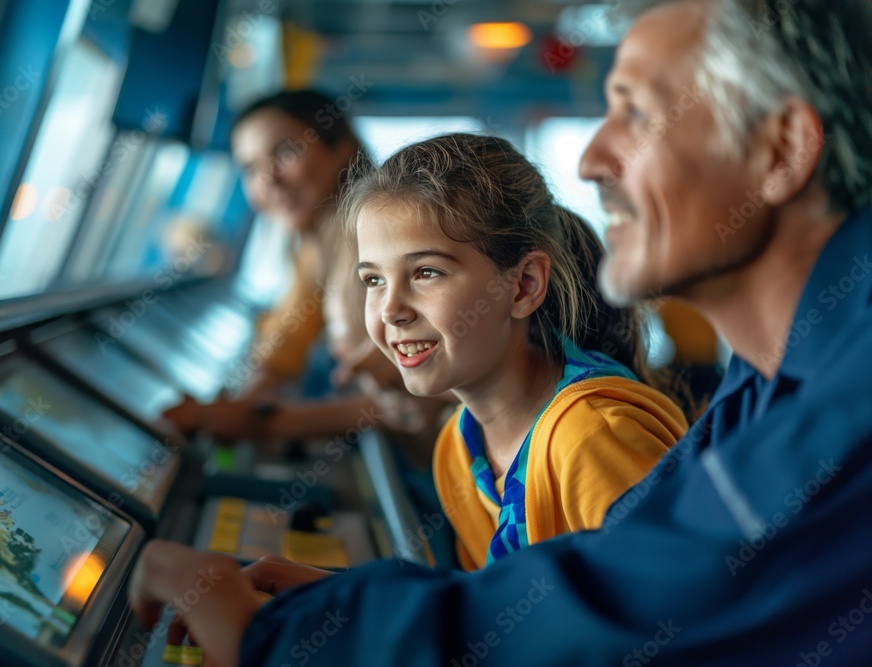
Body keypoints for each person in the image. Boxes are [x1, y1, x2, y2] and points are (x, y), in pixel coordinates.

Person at [128, 1, 872, 664]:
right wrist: (337, 602)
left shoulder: (844, 404)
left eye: (639, 115)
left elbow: (637, 615)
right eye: (372, 281)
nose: (588, 160)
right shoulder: (770, 380)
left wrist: (276, 637)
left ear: (780, 151)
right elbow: (603, 572)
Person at [342, 133, 686, 569]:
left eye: (426, 272)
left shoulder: (592, 438)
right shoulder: (458, 448)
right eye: (373, 280)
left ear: (524, 286)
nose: (391, 310)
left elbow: (671, 620)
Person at [161, 90, 447, 454]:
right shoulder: (315, 242)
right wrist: (248, 397)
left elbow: (422, 400)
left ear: (341, 147)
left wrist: (263, 423)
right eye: (249, 168)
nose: (268, 180)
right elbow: (287, 338)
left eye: (285, 153)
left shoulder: (376, 241)